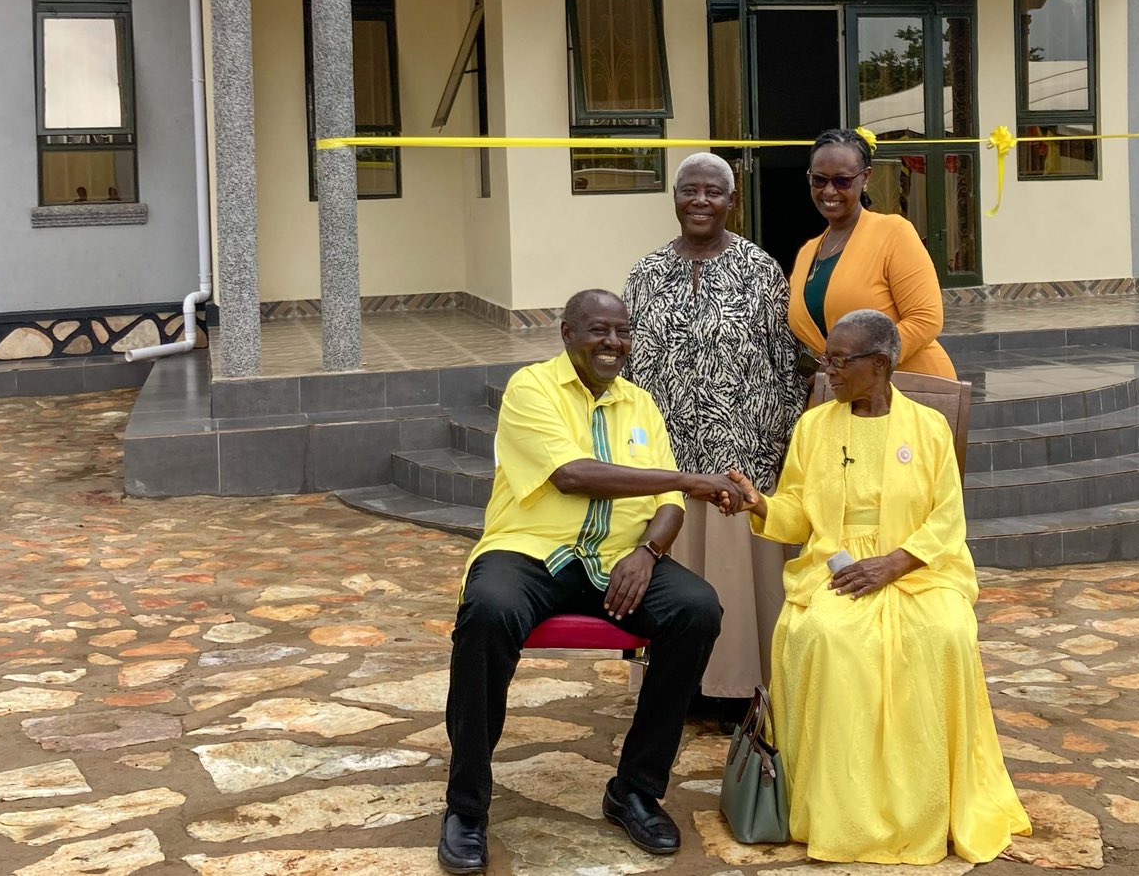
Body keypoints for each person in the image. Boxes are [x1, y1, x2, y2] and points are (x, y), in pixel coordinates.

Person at [439, 289, 742, 875]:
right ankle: (467, 807)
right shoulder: (531, 388)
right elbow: (572, 475)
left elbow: (669, 502)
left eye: (622, 331)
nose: (613, 343)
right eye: (599, 330)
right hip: (532, 552)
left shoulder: (641, 404)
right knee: (487, 610)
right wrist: (694, 478)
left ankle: (634, 790)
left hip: (622, 559)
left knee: (697, 608)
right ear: (568, 334)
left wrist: (651, 552)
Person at [729, 309, 1030, 865]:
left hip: (918, 566)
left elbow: (946, 519)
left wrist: (893, 563)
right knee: (823, 632)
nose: (828, 371)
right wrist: (762, 504)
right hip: (835, 565)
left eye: (840, 361)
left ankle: (926, 803)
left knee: (943, 633)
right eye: (825, 359)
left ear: (881, 364)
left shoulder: (928, 427)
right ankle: (838, 807)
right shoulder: (814, 425)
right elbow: (798, 513)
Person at [625, 152, 801, 705]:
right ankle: (678, 691)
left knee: (742, 580)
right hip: (671, 461)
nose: (700, 201)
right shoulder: (646, 274)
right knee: (677, 572)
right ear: (674, 198)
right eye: (689, 191)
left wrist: (776, 445)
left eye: (713, 192)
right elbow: (626, 370)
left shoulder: (761, 271)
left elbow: (787, 365)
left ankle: (744, 687)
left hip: (741, 461)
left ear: (731, 200)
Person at [788, 128, 955, 379]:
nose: (829, 191)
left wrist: (861, 367)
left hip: (904, 392)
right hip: (843, 397)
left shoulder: (893, 232)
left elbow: (926, 319)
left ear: (865, 177)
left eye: (842, 180)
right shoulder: (807, 252)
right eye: (820, 180)